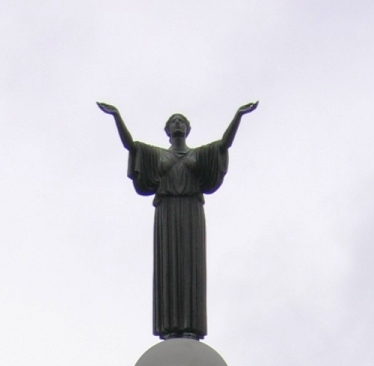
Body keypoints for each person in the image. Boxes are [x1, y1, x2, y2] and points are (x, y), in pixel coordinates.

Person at [97, 102, 257, 339]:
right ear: (167, 130)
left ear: (188, 129)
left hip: (192, 211)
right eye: (174, 121)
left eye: (182, 121)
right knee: (168, 265)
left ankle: (191, 325)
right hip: (167, 212)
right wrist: (117, 117)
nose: (178, 123)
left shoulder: (198, 155)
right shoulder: (158, 154)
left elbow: (224, 145)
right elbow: (131, 146)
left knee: (191, 264)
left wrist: (238, 116)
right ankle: (169, 327)